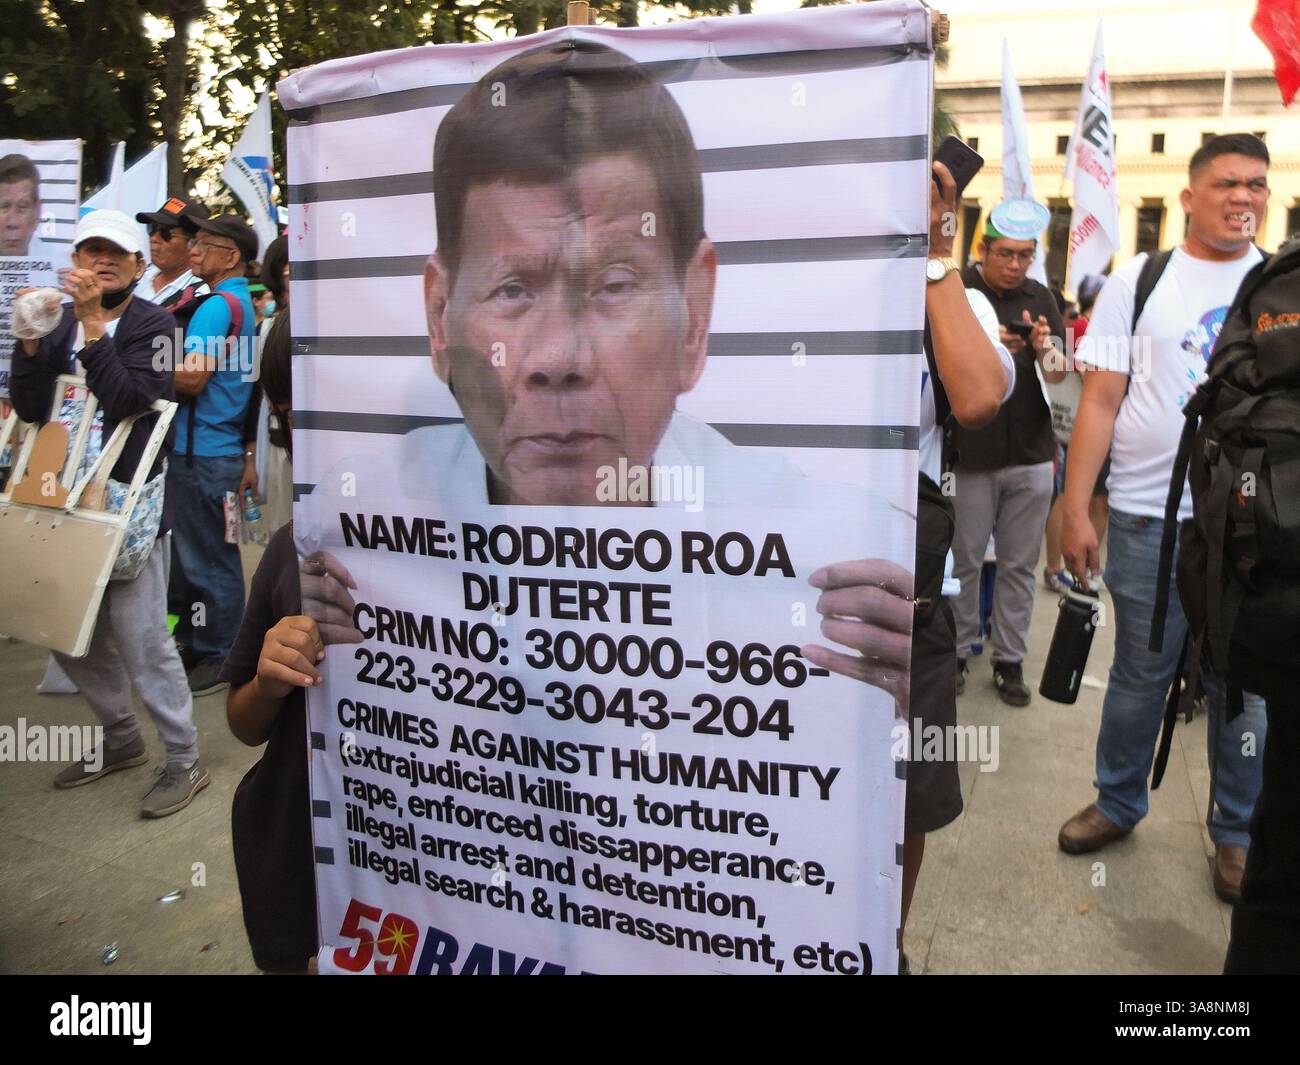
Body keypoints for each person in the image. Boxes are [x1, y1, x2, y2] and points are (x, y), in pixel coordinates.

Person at [300, 40, 917, 706]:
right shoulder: (355, 536)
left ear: (695, 313)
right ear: (440, 315)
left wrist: (887, 723)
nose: (559, 359)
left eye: (614, 284)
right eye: (513, 289)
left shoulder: (838, 569)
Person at [1059, 133, 1271, 904]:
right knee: (1141, 673)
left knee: (1244, 686)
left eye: (1256, 184)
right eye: (1225, 183)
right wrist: (1076, 503)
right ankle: (1118, 799)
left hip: (1251, 528)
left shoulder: (1282, 286)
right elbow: (1101, 401)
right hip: (1150, 516)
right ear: (1189, 196)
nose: (1242, 197)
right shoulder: (1138, 281)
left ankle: (1238, 832)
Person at [8, 209, 208, 817]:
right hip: (59, 496)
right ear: (74, 261)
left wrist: (95, 325)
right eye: (89, 250)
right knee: (64, 629)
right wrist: (31, 341)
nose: (101, 261)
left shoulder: (156, 324)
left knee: (144, 639)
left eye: (115, 253)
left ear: (138, 266)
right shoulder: (59, 318)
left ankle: (183, 758)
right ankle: (121, 738)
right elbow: (31, 404)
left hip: (129, 505)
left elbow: (131, 402)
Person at [899, 160, 1016, 971]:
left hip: (905, 606)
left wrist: (937, 252)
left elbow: (975, 397)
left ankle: (886, 946)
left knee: (905, 798)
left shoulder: (958, 300)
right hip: (768, 584)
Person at [220, 311, 318, 972]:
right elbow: (243, 721)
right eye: (290, 412)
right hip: (296, 862)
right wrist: (270, 679)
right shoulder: (289, 549)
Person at [950, 200, 1067, 705]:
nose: (1015, 264)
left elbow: (1061, 371)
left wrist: (1044, 347)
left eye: (1025, 255)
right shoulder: (955, 291)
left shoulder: (1041, 296)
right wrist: (982, 342)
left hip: (1032, 453)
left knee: (1020, 565)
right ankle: (954, 652)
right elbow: (934, 356)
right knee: (964, 562)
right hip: (970, 455)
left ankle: (1009, 662)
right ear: (983, 249)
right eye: (1006, 254)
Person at [167, 213, 259, 695]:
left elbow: (192, 377)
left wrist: (138, 370)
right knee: (209, 556)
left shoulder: (216, 307)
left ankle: (220, 653)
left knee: (206, 560)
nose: (194, 250)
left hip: (200, 454)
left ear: (232, 257)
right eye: (195, 242)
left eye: (205, 244)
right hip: (219, 454)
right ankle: (208, 644)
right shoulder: (242, 305)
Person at [1043, 273, 1109, 593]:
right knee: (1073, 497)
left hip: (1093, 423)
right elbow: (1087, 372)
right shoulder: (1084, 328)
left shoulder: (1094, 328)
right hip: (1085, 422)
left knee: (1096, 500)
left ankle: (1084, 568)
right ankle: (1059, 567)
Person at [239, 234, 292, 532]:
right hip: (280, 451)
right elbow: (254, 398)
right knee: (286, 537)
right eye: (291, 272)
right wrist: (250, 459)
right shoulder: (266, 331)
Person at [134, 198, 210, 308]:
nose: (154, 239)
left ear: (193, 244)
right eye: (152, 229)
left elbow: (179, 326)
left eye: (166, 233)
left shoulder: (199, 296)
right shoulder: (136, 275)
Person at [0, 153, 47, 258]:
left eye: (22, 207)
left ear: (38, 212)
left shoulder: (60, 265)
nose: (13, 223)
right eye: (4, 206)